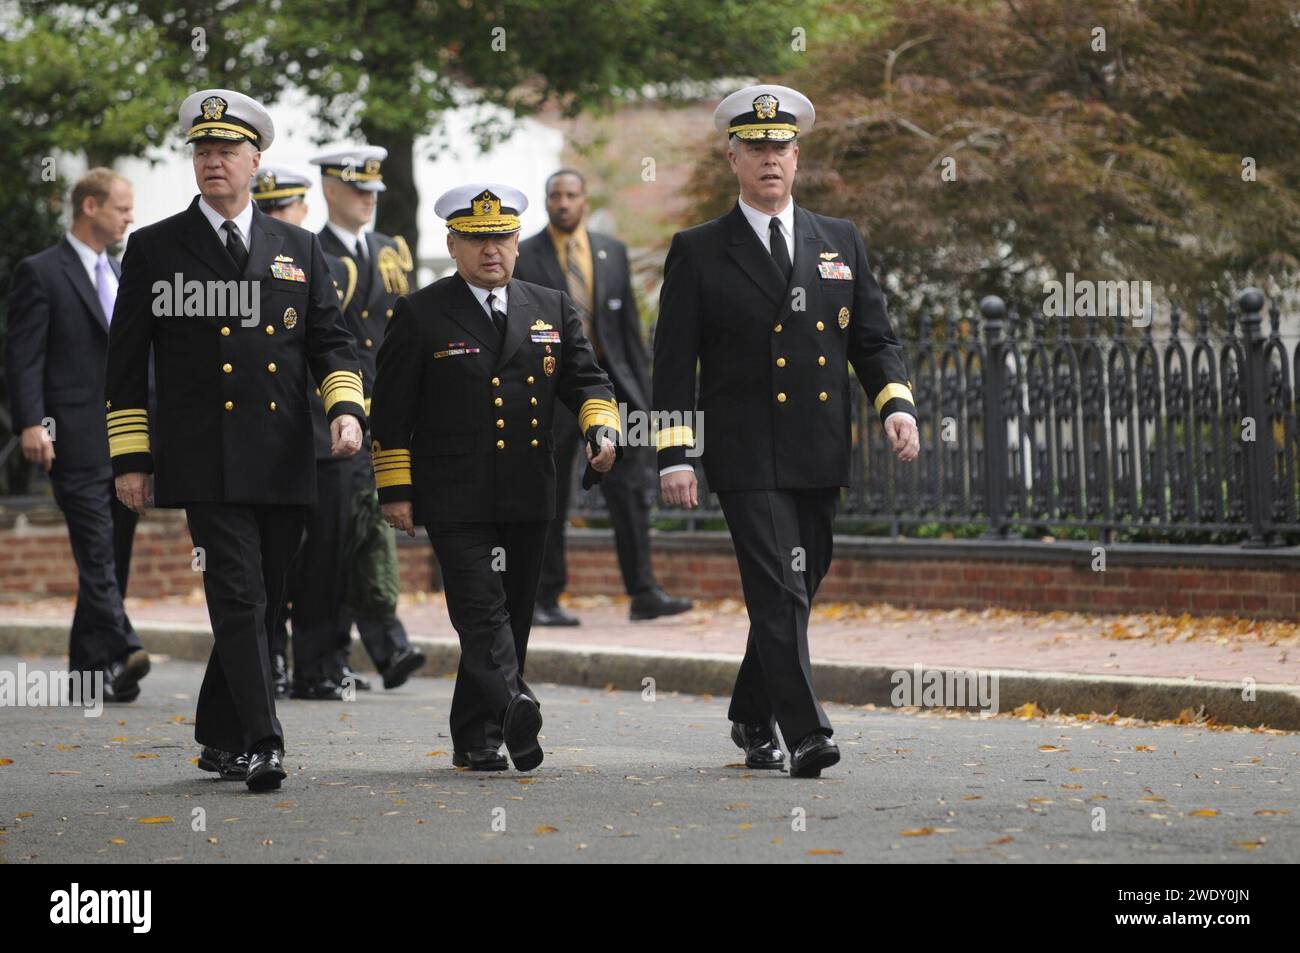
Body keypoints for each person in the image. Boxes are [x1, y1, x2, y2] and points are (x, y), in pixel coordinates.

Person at [653, 85, 920, 778]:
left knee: (799, 587)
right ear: (733, 157)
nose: (770, 159)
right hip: (745, 455)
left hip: (818, 447)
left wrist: (896, 403)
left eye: (781, 148)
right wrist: (674, 452)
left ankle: (749, 709)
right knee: (778, 590)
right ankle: (805, 731)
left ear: (797, 157)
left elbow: (874, 339)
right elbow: (673, 364)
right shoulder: (699, 250)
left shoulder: (840, 240)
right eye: (756, 148)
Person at [106, 89, 366, 790]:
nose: (212, 162)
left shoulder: (298, 246)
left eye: (225, 151)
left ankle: (218, 732)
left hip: (285, 454)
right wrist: (131, 458)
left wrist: (346, 411)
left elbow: (332, 344)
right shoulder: (157, 247)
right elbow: (125, 363)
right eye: (202, 151)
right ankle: (261, 739)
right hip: (205, 457)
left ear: (256, 160)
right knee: (240, 592)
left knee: (265, 595)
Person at [371, 183, 619, 772]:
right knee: (481, 612)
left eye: (502, 238)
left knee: (513, 614)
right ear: (452, 244)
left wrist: (601, 430)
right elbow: (392, 410)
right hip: (454, 497)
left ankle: (477, 737)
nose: (492, 251)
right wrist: (396, 489)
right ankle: (515, 703)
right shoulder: (421, 312)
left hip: (529, 489)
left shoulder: (551, 305)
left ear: (515, 242)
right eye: (477, 240)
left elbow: (589, 381)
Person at [514, 169, 692, 625]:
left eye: (572, 195)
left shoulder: (611, 252)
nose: (564, 203)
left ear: (585, 200)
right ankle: (545, 598)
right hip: (551, 392)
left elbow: (628, 329)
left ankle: (644, 591)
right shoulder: (527, 254)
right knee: (551, 493)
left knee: (630, 491)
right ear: (547, 200)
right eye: (556, 195)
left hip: (613, 390)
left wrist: (643, 393)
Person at [6, 168, 149, 702]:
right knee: (95, 551)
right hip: (69, 438)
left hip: (123, 442)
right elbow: (23, 357)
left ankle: (90, 672)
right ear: (89, 206)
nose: (130, 217)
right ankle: (124, 643)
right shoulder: (40, 272)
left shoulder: (120, 273)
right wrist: (30, 422)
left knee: (116, 550)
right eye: (121, 207)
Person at [309, 146, 423, 692]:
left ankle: (363, 650)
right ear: (330, 189)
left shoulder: (388, 251)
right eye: (357, 189)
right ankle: (325, 660)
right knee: (334, 540)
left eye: (374, 191)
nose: (368, 200)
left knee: (371, 532)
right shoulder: (314, 251)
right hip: (337, 417)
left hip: (385, 418)